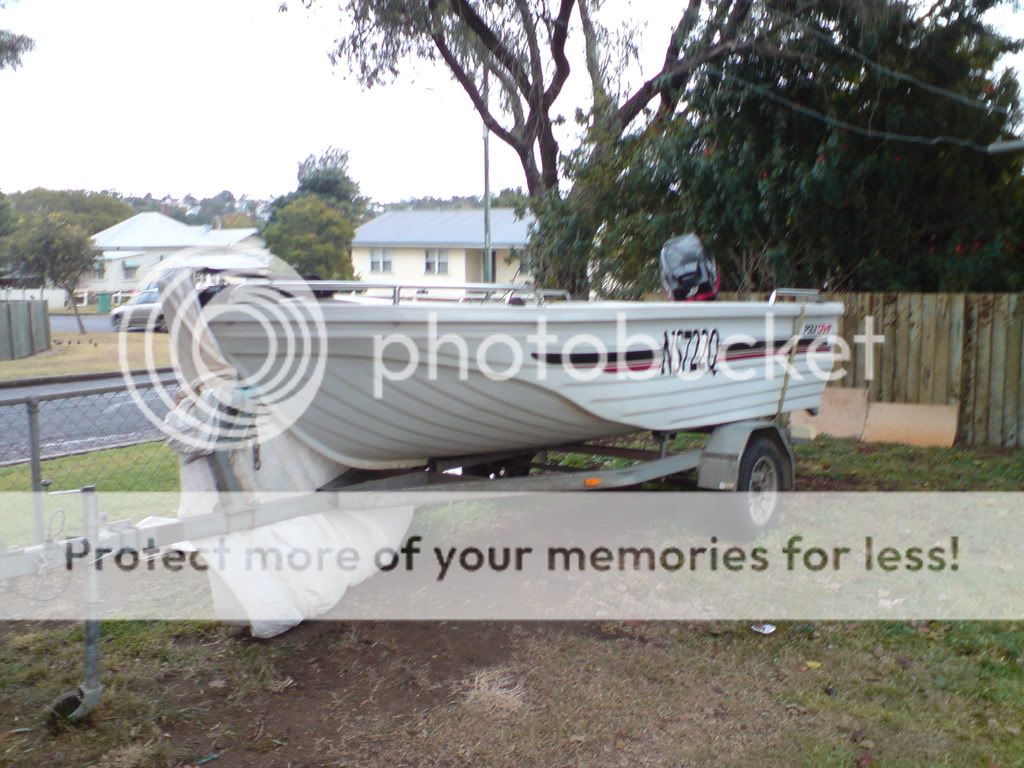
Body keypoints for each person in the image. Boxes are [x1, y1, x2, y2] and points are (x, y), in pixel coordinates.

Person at [659, 234, 720, 301]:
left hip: (681, 301)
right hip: (707, 296)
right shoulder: (703, 268)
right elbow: (715, 277)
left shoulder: (674, 274)